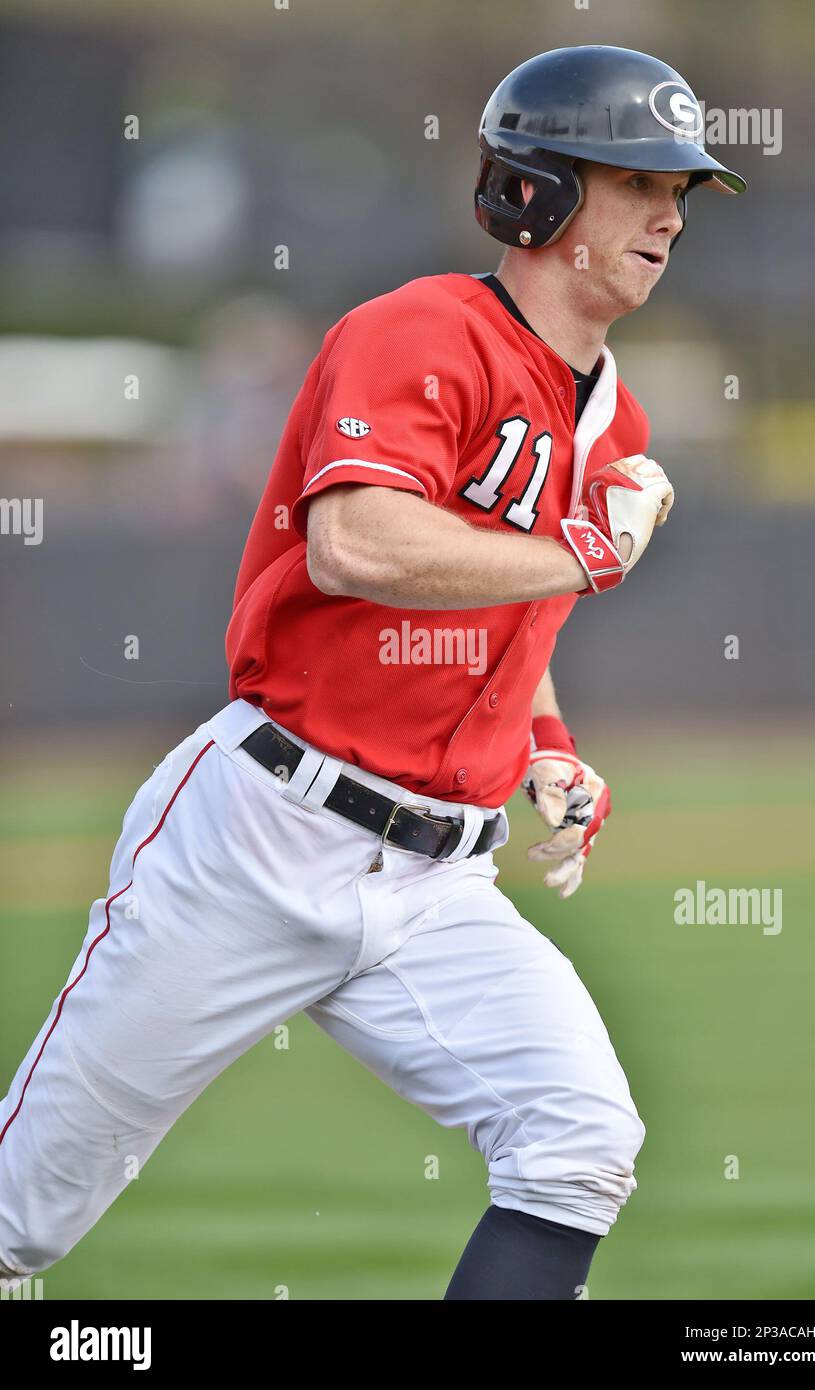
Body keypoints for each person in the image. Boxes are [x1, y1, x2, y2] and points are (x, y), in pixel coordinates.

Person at [0, 45, 744, 1300]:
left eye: (679, 188)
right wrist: (572, 549)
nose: (670, 213)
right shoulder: (417, 332)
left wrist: (546, 749)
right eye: (636, 180)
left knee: (577, 1145)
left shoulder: (613, 418)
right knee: (22, 1216)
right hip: (261, 837)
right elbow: (354, 545)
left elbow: (512, 618)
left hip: (438, 878)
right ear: (536, 195)